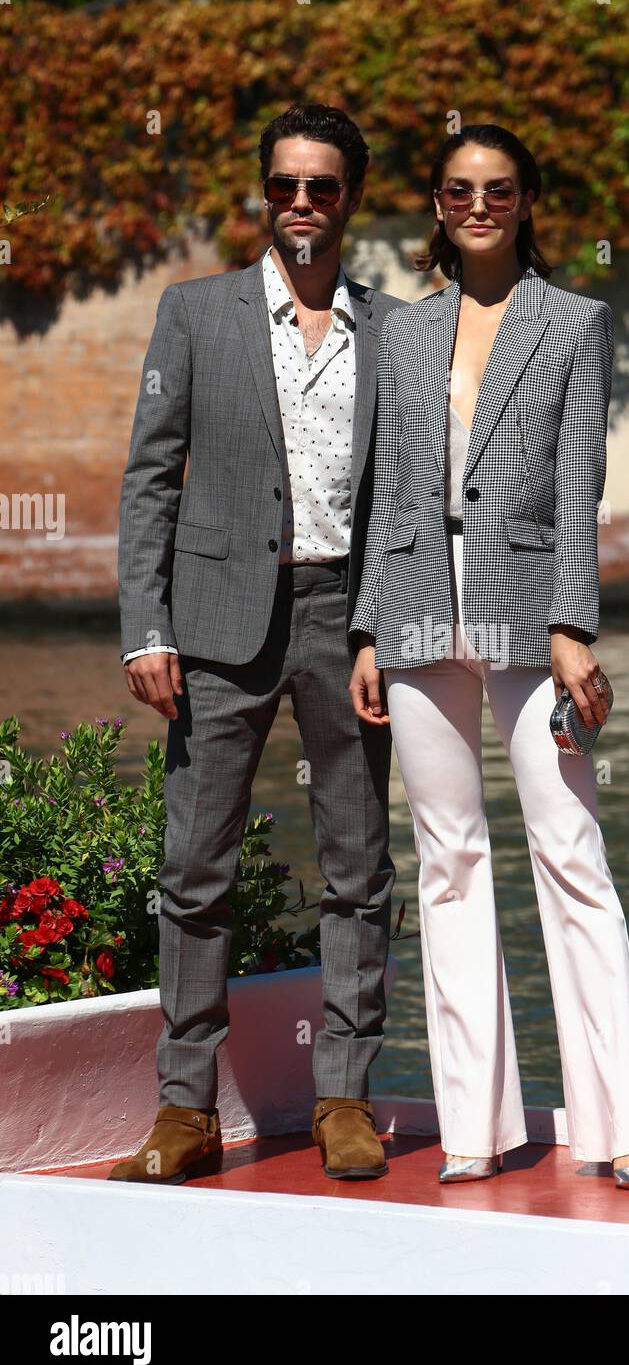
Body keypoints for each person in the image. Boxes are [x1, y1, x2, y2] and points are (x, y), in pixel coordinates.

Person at [348, 124, 629, 1190]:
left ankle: (623, 1121)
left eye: (496, 190)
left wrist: (574, 623)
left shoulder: (576, 322)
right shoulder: (399, 332)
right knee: (447, 864)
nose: (476, 205)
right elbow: (384, 491)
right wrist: (363, 628)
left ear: (526, 199)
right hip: (415, 609)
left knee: (571, 852)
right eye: (456, 191)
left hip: (530, 612)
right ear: (436, 206)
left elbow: (581, 483)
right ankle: (475, 1127)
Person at [112, 103, 404, 1185]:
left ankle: (344, 1098)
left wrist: (380, 625)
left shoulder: (395, 329)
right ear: (263, 191)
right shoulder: (193, 314)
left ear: (350, 198)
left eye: (320, 187)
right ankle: (184, 1107)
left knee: (358, 868)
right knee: (195, 869)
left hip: (345, 620)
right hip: (217, 625)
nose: (299, 205)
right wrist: (148, 626)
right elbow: (149, 479)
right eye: (282, 185)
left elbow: (402, 502)